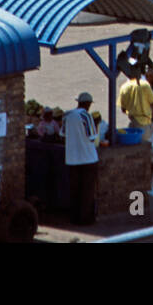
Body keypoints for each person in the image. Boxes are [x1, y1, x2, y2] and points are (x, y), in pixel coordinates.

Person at [65, 92, 99, 225]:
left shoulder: (67, 116)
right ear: (87, 104)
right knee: (87, 191)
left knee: (75, 190)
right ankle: (85, 219)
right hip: (88, 159)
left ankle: (74, 218)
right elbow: (92, 137)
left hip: (72, 159)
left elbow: (63, 133)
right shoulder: (86, 116)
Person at [118, 71, 153, 136]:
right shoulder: (145, 85)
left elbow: (123, 109)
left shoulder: (124, 87)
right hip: (144, 123)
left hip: (132, 122)